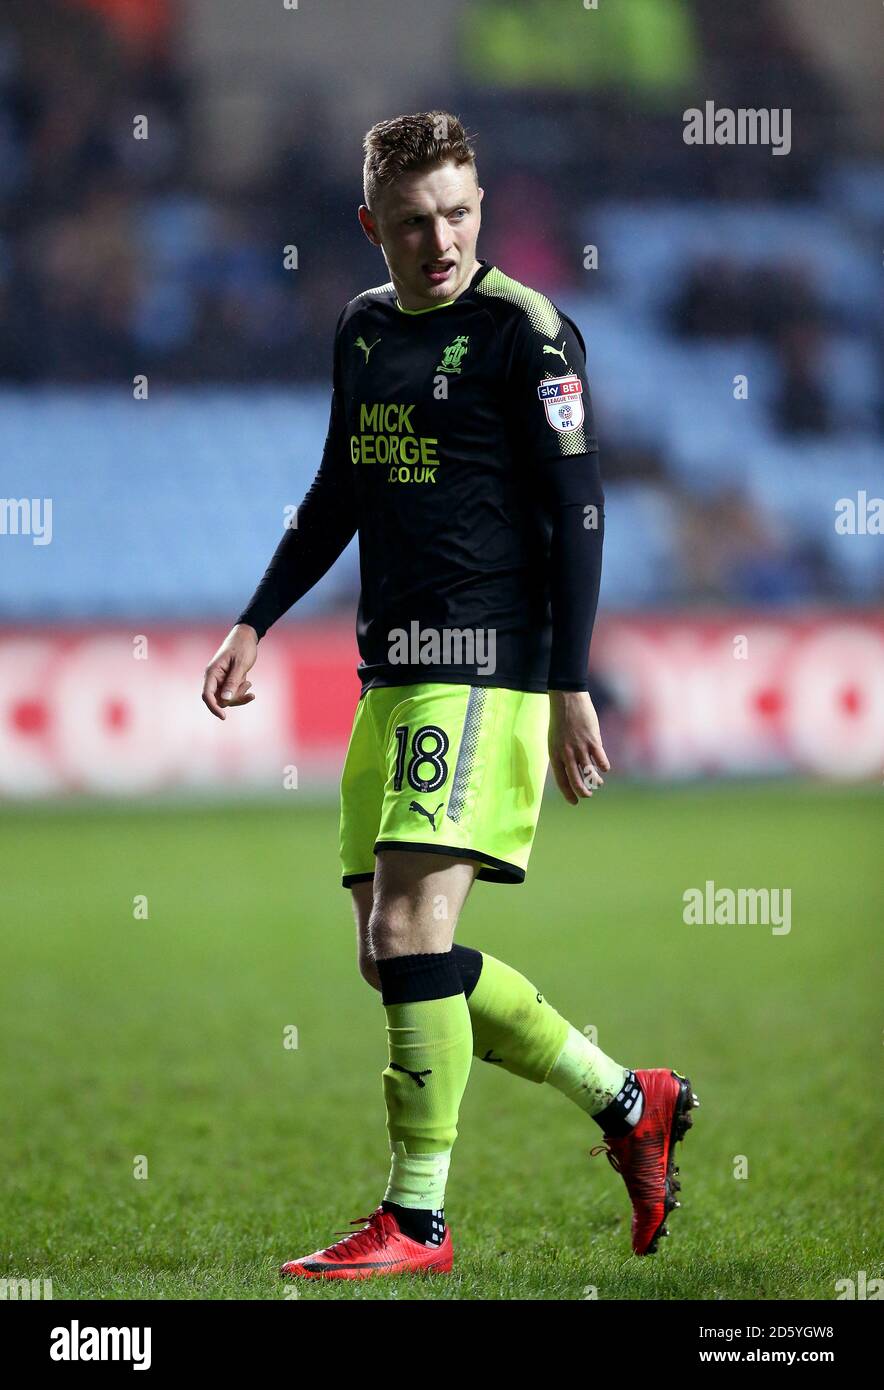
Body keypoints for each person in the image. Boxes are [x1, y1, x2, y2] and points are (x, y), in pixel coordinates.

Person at [201, 110, 698, 1280]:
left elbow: (579, 510)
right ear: (370, 224)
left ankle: (415, 1219)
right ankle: (633, 1102)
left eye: (460, 214)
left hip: (482, 667)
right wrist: (255, 617)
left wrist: (568, 679)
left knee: (408, 934)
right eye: (416, 221)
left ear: (480, 207)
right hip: (391, 669)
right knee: (395, 962)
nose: (441, 240)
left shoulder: (530, 333)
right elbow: (338, 485)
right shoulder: (364, 330)